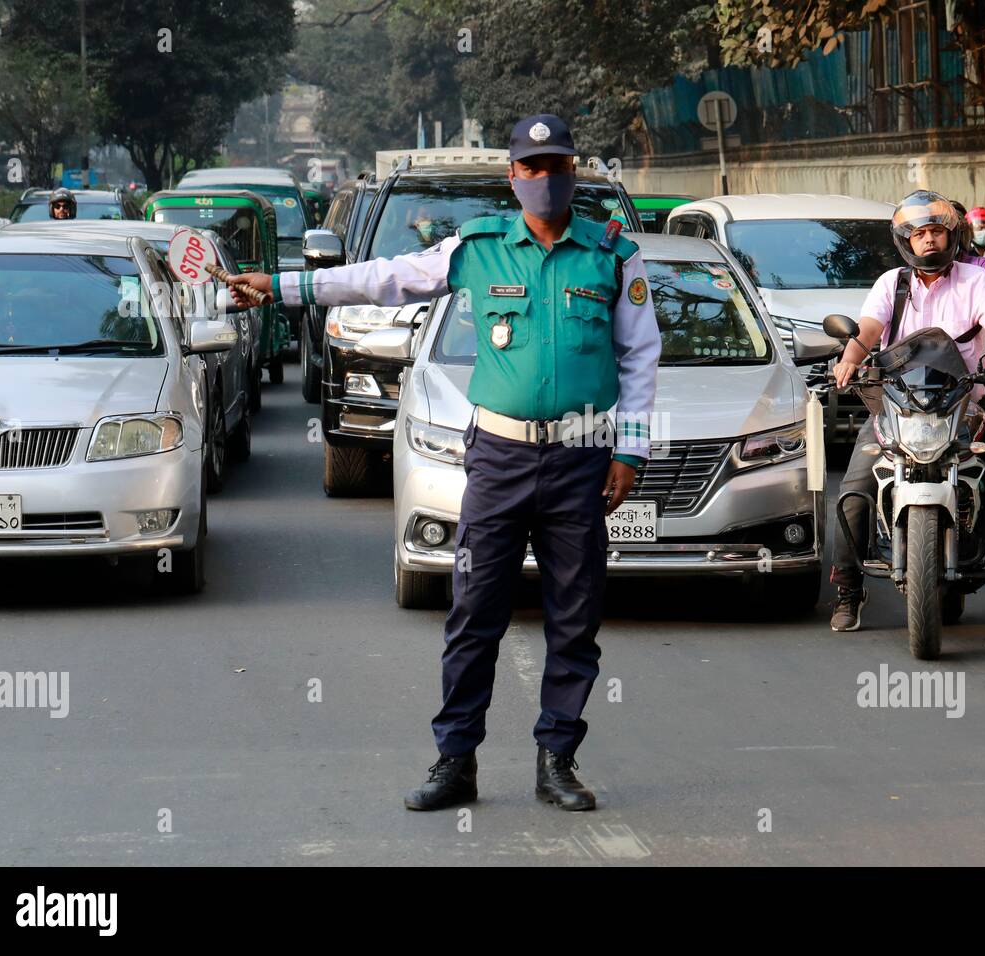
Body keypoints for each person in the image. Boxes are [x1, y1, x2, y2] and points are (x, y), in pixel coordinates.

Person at [223, 114, 661, 812]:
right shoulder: (479, 248)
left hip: (582, 455)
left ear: (574, 171)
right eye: (532, 168)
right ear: (512, 176)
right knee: (473, 612)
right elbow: (385, 279)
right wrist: (281, 287)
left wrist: (631, 452)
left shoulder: (612, 255)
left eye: (557, 166)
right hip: (500, 455)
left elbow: (639, 356)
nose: (545, 179)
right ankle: (456, 761)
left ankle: (558, 761)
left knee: (575, 617)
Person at [827, 190, 985, 632]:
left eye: (937, 232)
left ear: (953, 236)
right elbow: (868, 328)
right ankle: (849, 590)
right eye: (921, 233)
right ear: (907, 240)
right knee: (853, 492)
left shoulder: (974, 280)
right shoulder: (891, 283)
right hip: (898, 407)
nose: (929, 241)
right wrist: (851, 358)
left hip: (965, 404)